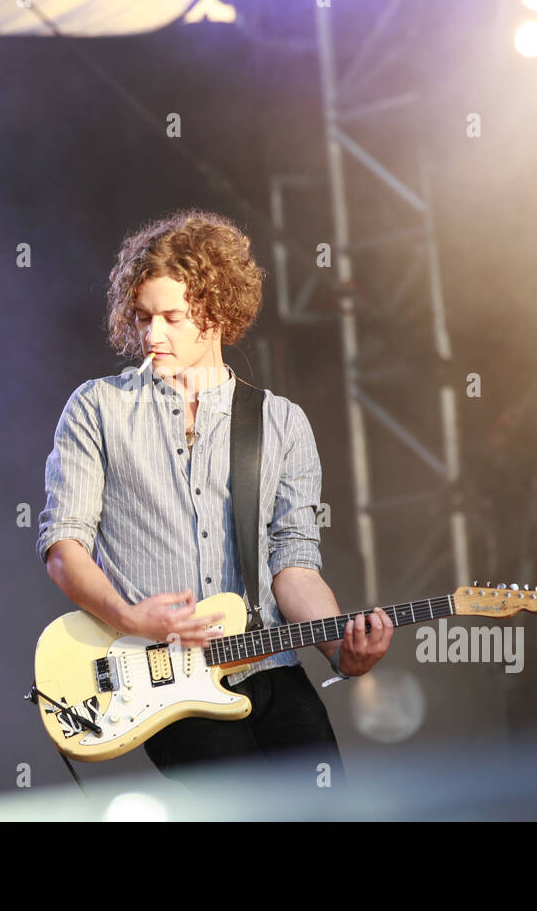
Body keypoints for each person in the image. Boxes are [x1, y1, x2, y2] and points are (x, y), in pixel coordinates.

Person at [36, 208, 392, 784]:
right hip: (166, 674)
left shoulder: (279, 422)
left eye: (173, 317)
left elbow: (294, 567)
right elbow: (62, 547)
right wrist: (130, 616)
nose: (153, 336)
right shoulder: (97, 408)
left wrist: (339, 650)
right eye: (144, 316)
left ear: (218, 311)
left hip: (269, 663)